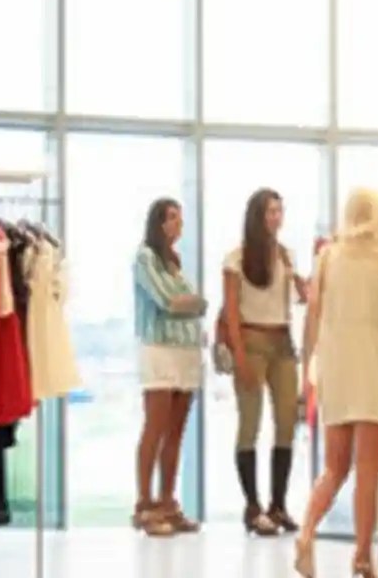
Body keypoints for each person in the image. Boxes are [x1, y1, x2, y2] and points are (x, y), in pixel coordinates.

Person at [295, 188, 378, 578]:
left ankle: (306, 532)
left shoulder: (328, 257)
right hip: (374, 366)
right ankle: (361, 555)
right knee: (367, 467)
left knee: (334, 466)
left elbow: (314, 314)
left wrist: (309, 366)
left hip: (335, 364)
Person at [223, 188, 307, 535]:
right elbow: (230, 310)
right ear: (257, 215)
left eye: (280, 211)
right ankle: (252, 505)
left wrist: (303, 285)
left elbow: (298, 299)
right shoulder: (236, 257)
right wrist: (239, 354)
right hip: (251, 339)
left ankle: (279, 504)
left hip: (282, 340)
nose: (277, 217)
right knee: (250, 423)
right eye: (271, 211)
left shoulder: (286, 255)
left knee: (287, 420)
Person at [131, 198, 207, 537]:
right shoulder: (145, 257)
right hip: (159, 349)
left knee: (176, 431)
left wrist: (192, 306)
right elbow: (169, 302)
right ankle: (144, 504)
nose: (178, 224)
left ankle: (167, 502)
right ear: (158, 223)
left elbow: (190, 305)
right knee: (156, 426)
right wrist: (194, 305)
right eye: (172, 218)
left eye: (180, 217)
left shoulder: (175, 262)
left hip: (186, 352)